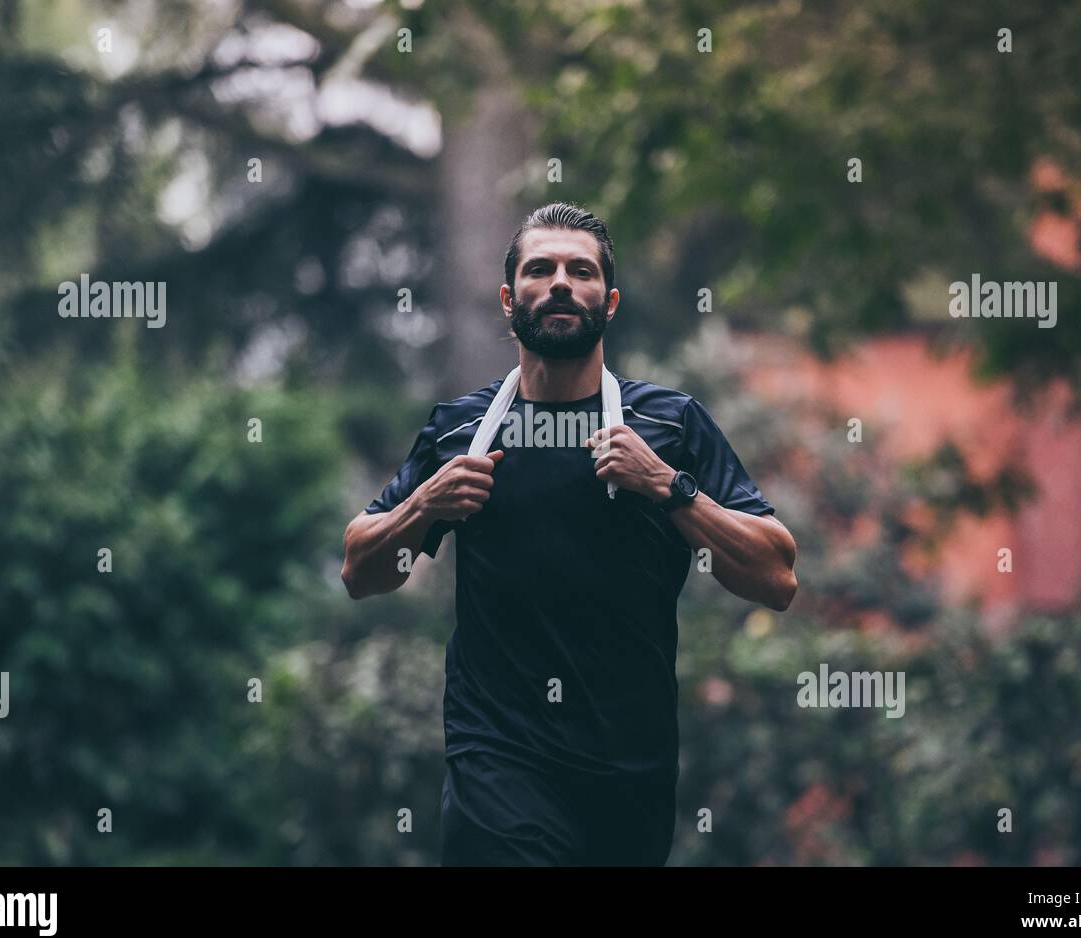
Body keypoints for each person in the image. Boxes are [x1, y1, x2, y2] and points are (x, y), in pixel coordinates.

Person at [341, 201, 797, 866]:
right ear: (509, 298)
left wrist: (668, 485)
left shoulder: (670, 426)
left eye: (580, 271)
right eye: (540, 269)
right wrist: (425, 505)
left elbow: (778, 576)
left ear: (608, 303)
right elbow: (361, 569)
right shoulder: (463, 432)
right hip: (495, 756)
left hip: (628, 771)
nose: (560, 282)